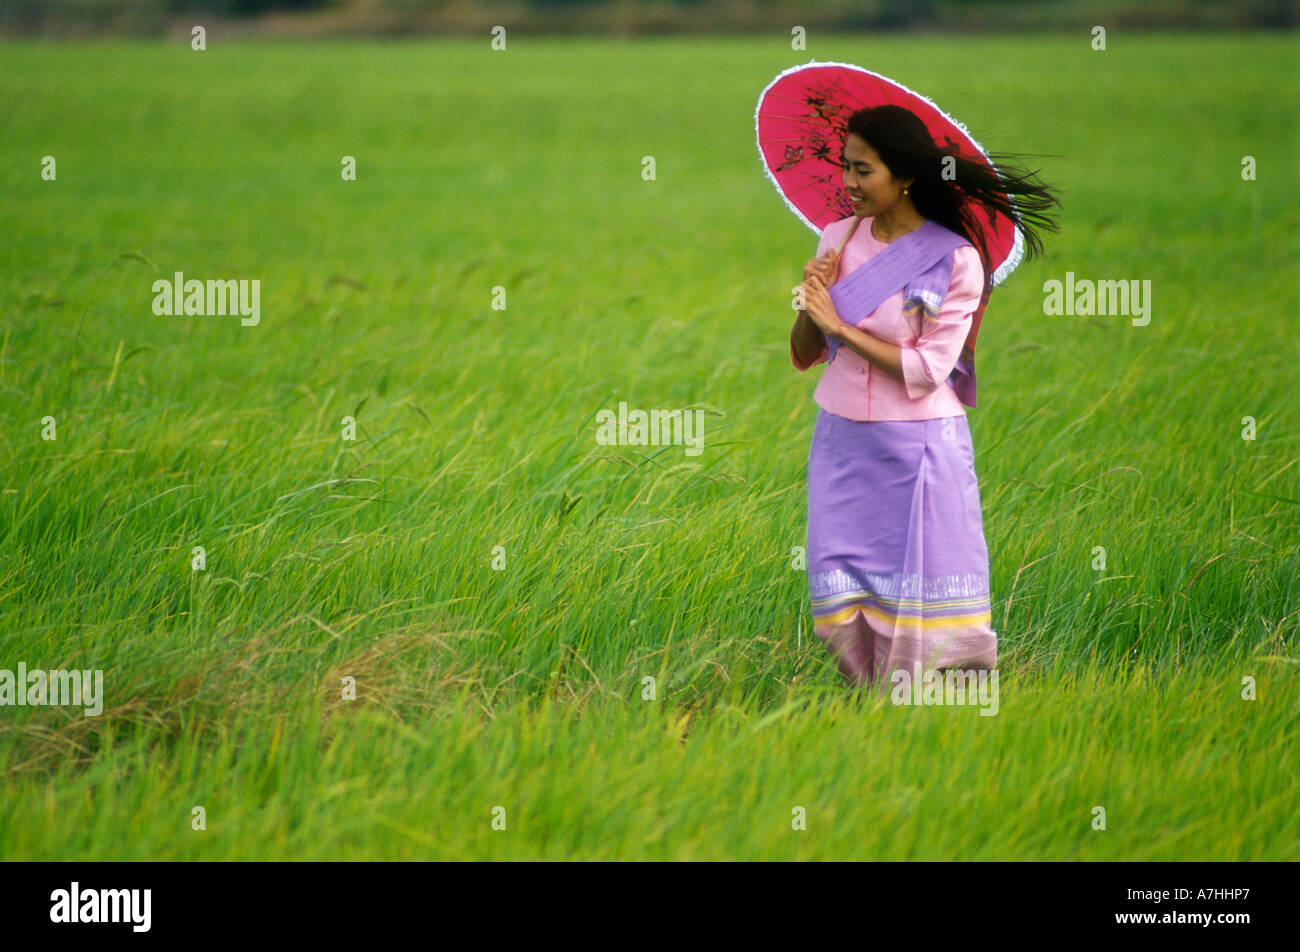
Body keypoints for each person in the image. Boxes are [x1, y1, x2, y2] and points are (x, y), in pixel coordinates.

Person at [790, 104, 1059, 692]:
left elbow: (929, 368)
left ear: (905, 175)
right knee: (838, 574)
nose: (848, 183)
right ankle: (866, 694)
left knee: (918, 575)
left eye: (864, 170)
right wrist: (814, 297)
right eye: (845, 167)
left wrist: (841, 327)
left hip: (917, 444)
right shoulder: (837, 238)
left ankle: (933, 698)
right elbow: (807, 347)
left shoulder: (954, 259)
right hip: (841, 435)